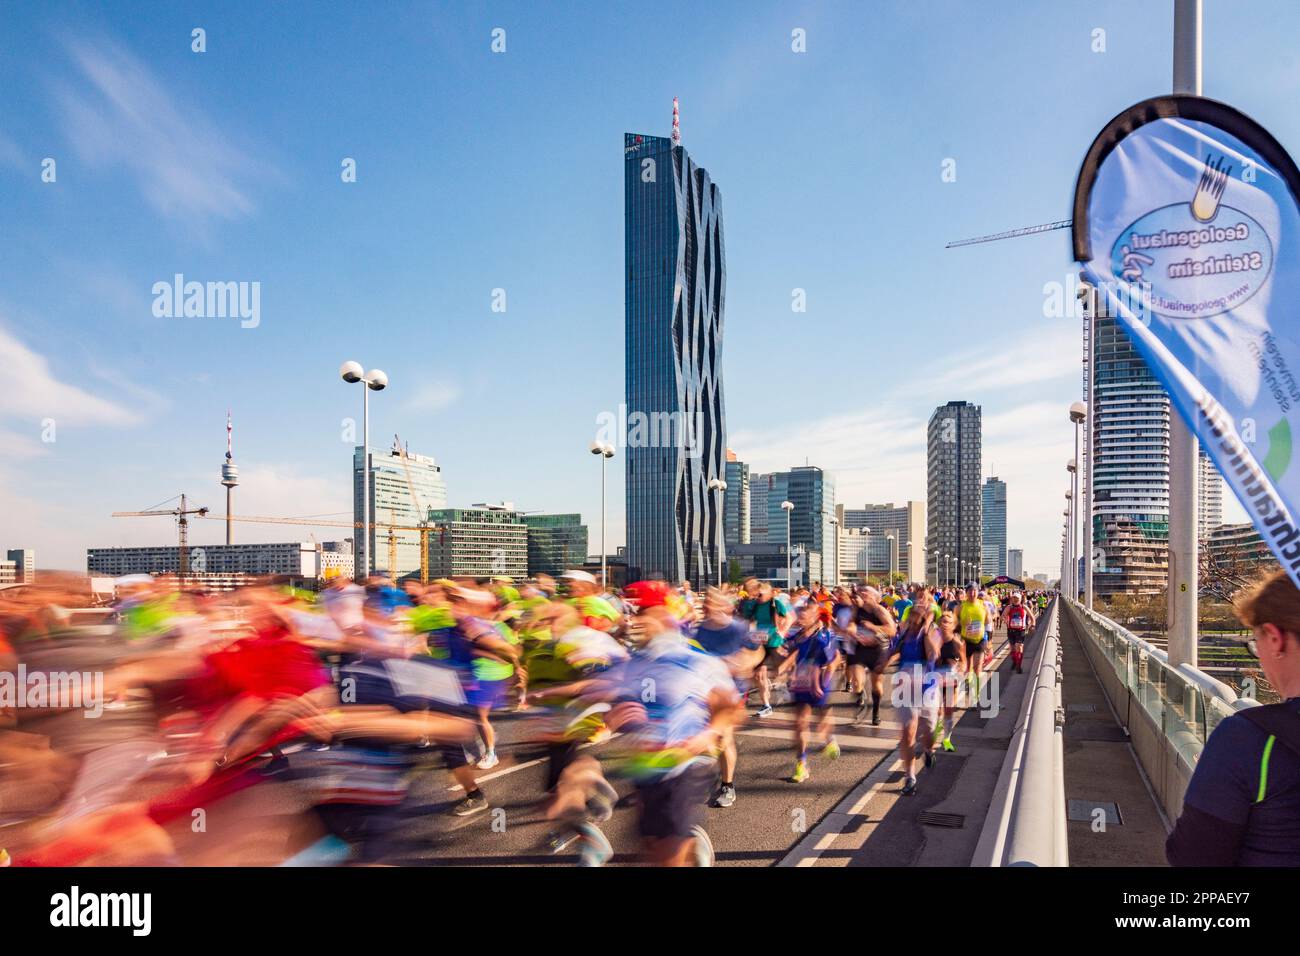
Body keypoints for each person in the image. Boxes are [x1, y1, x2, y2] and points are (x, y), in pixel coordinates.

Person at [1167, 570, 1300, 865]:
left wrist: (1217, 775)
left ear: (1276, 639)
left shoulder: (1247, 739)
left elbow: (1190, 856)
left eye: (1256, 643)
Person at [690, 588, 763, 808]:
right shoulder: (698, 630)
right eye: (706, 602)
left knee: (723, 737)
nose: (707, 606)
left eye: (712, 602)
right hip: (704, 691)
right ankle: (705, 773)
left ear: (725, 606)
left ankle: (727, 786)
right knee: (702, 737)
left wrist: (747, 662)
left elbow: (759, 649)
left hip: (731, 691)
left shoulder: (739, 627)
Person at [884, 589, 941, 795]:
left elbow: (933, 653)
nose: (920, 603)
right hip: (905, 686)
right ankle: (909, 777)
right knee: (907, 733)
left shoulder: (933, 630)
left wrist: (925, 628)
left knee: (928, 733)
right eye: (917, 600)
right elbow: (892, 652)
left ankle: (928, 749)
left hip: (926, 687)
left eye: (924, 600)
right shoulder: (905, 632)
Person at [777, 601, 841, 783]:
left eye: (806, 614)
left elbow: (835, 660)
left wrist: (824, 682)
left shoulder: (824, 636)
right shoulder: (797, 636)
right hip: (801, 684)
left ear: (815, 617)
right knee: (800, 723)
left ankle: (829, 739)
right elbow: (790, 654)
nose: (802, 617)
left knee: (822, 722)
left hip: (819, 682)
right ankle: (801, 763)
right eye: (801, 614)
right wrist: (782, 667)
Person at [738, 579, 793, 717]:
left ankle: (788, 685)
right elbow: (747, 619)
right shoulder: (755, 605)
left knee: (780, 670)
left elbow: (789, 617)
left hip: (774, 642)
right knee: (758, 674)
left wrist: (782, 630)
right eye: (758, 594)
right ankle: (766, 705)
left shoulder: (775, 603)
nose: (759, 596)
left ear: (769, 594)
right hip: (760, 642)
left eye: (761, 594)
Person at [958, 584, 989, 697]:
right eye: (970, 591)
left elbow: (989, 620)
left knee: (977, 669)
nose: (972, 593)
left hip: (979, 640)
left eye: (974, 591)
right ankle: (968, 683)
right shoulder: (961, 606)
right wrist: (963, 623)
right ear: (966, 593)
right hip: (965, 641)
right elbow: (955, 622)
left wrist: (987, 639)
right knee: (967, 668)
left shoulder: (983, 605)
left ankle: (975, 696)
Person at [1003, 593, 1036, 674]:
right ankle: (1015, 661)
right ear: (1012, 599)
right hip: (1011, 630)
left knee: (1019, 647)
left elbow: (1032, 617)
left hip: (1021, 630)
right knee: (1012, 649)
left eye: (1017, 598)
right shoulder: (1009, 607)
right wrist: (1004, 619)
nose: (1015, 599)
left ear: (1020, 599)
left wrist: (1033, 625)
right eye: (1014, 598)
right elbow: (1003, 616)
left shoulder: (1024, 607)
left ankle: (1018, 666)